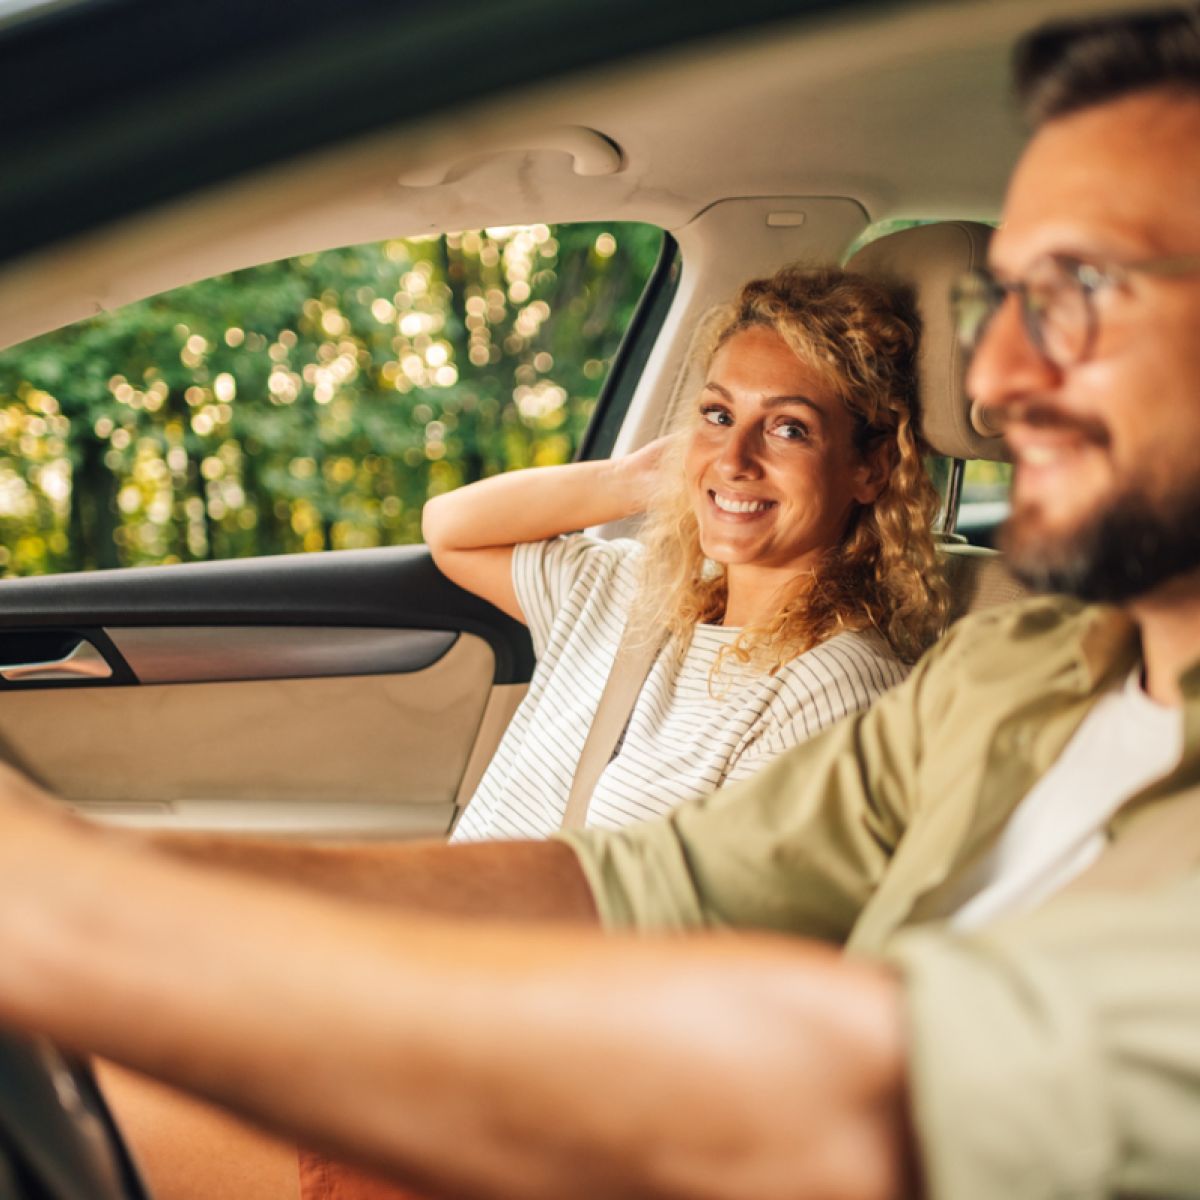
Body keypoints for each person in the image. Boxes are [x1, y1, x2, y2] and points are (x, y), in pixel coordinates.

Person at [0, 6, 1199, 1200]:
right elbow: (641, 884)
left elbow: (857, 1107)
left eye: (1086, 289)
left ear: (869, 466)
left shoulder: (866, 681)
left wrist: (93, 926)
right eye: (1010, 305)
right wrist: (102, 873)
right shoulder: (1019, 669)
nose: (998, 380)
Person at [422, 266, 944, 840]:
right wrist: (634, 478)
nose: (734, 460)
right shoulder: (632, 591)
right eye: (719, 416)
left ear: (870, 468)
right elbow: (449, 529)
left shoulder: (830, 695)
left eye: (789, 429)